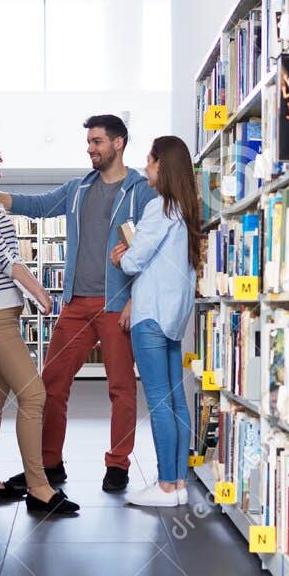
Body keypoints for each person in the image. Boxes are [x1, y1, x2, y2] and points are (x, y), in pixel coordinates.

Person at [0, 114, 156, 494]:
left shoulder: (141, 192)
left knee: (121, 389)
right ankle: (50, 465)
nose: (90, 148)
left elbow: (151, 250)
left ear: (118, 143)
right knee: (51, 384)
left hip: (116, 303)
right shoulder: (78, 189)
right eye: (89, 142)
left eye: (97, 142)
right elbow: (37, 205)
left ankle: (118, 464)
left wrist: (135, 298)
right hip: (76, 304)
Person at [0, 133, 80, 517]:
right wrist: (39, 291)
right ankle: (39, 487)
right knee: (34, 395)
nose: (1, 158)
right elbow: (5, 259)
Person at [110, 136, 200, 508]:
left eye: (149, 159)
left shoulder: (159, 207)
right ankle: (177, 483)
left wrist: (121, 256)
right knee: (177, 400)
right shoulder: (187, 211)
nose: (145, 166)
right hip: (174, 318)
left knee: (159, 401)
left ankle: (164, 486)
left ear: (162, 164)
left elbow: (134, 262)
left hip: (150, 315)